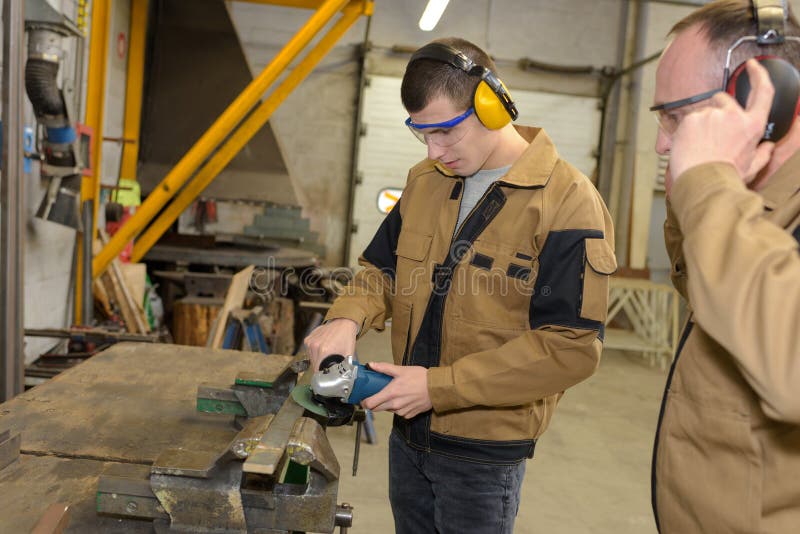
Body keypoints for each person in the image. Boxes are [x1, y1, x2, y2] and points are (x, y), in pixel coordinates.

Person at [305, 37, 615, 533]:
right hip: (408, 438)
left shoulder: (567, 201)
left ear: (492, 106)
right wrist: (346, 317)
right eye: (420, 134)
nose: (435, 151)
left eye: (446, 131)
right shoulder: (426, 179)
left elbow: (571, 348)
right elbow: (381, 272)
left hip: (483, 456)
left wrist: (438, 387)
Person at [649, 1, 800, 532]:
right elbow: (704, 291)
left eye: (676, 115)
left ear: (767, 99)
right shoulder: (748, 200)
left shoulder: (725, 195)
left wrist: (708, 181)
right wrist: (699, 190)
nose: (664, 143)